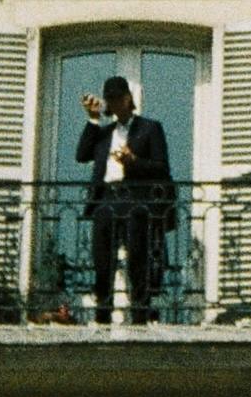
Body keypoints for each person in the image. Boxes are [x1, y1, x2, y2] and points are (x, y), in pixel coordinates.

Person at [75, 75, 176, 324]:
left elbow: (162, 167)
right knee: (102, 258)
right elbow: (82, 155)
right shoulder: (104, 132)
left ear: (127, 99)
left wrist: (134, 162)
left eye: (117, 99)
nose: (113, 105)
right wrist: (93, 119)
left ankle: (140, 310)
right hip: (107, 198)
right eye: (109, 100)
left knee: (137, 258)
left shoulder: (150, 128)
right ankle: (103, 310)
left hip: (135, 198)